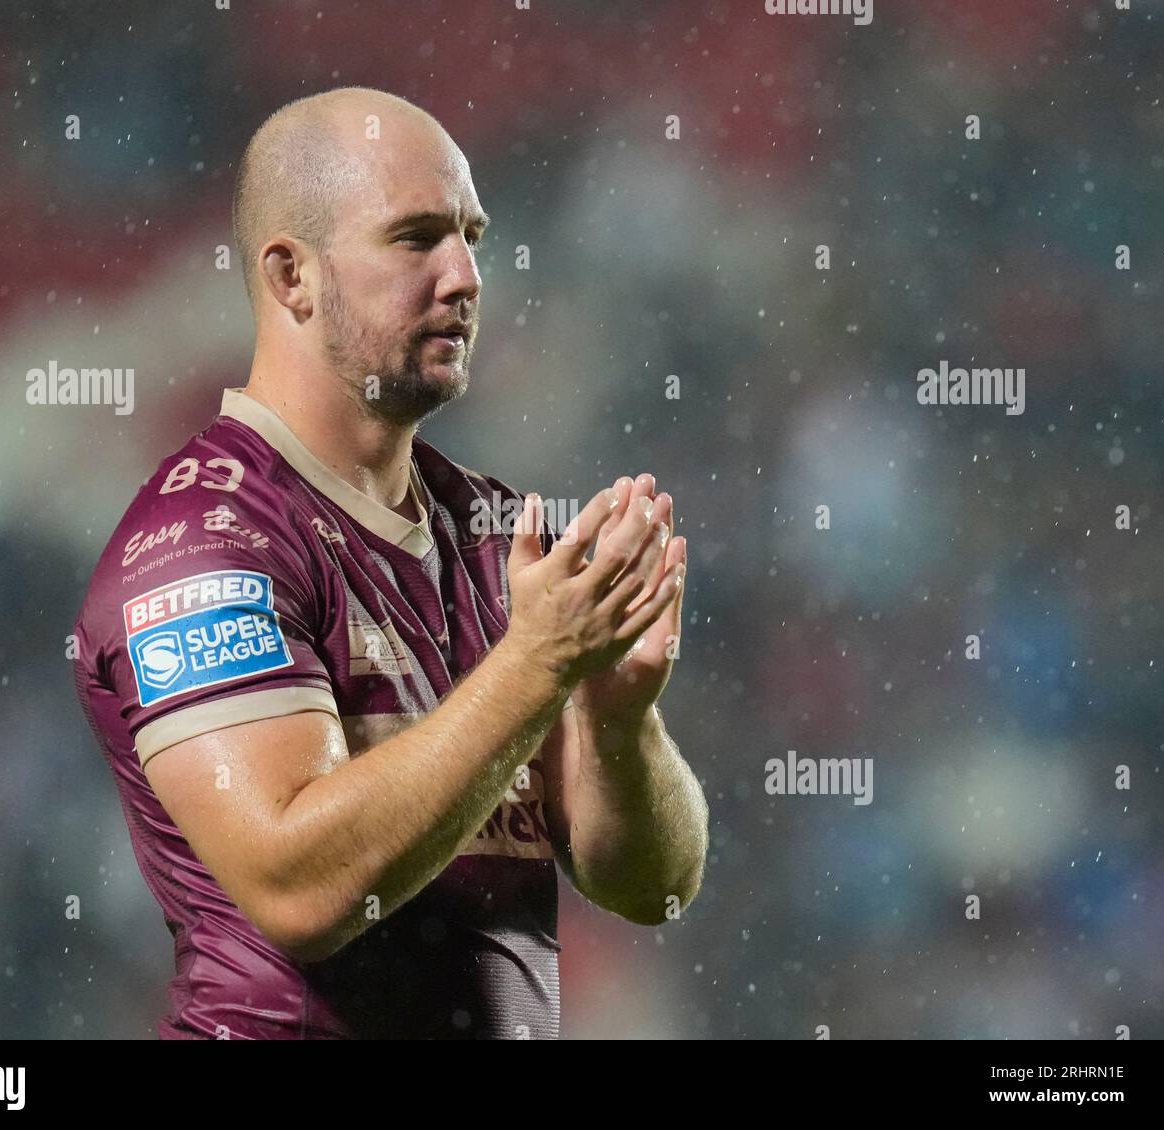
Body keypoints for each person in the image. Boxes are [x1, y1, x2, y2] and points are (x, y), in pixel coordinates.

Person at [72, 86, 708, 1039]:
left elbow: (653, 888)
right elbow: (300, 888)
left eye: (473, 237)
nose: (464, 275)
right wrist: (536, 665)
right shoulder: (204, 540)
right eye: (416, 239)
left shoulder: (493, 530)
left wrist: (620, 719)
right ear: (293, 277)